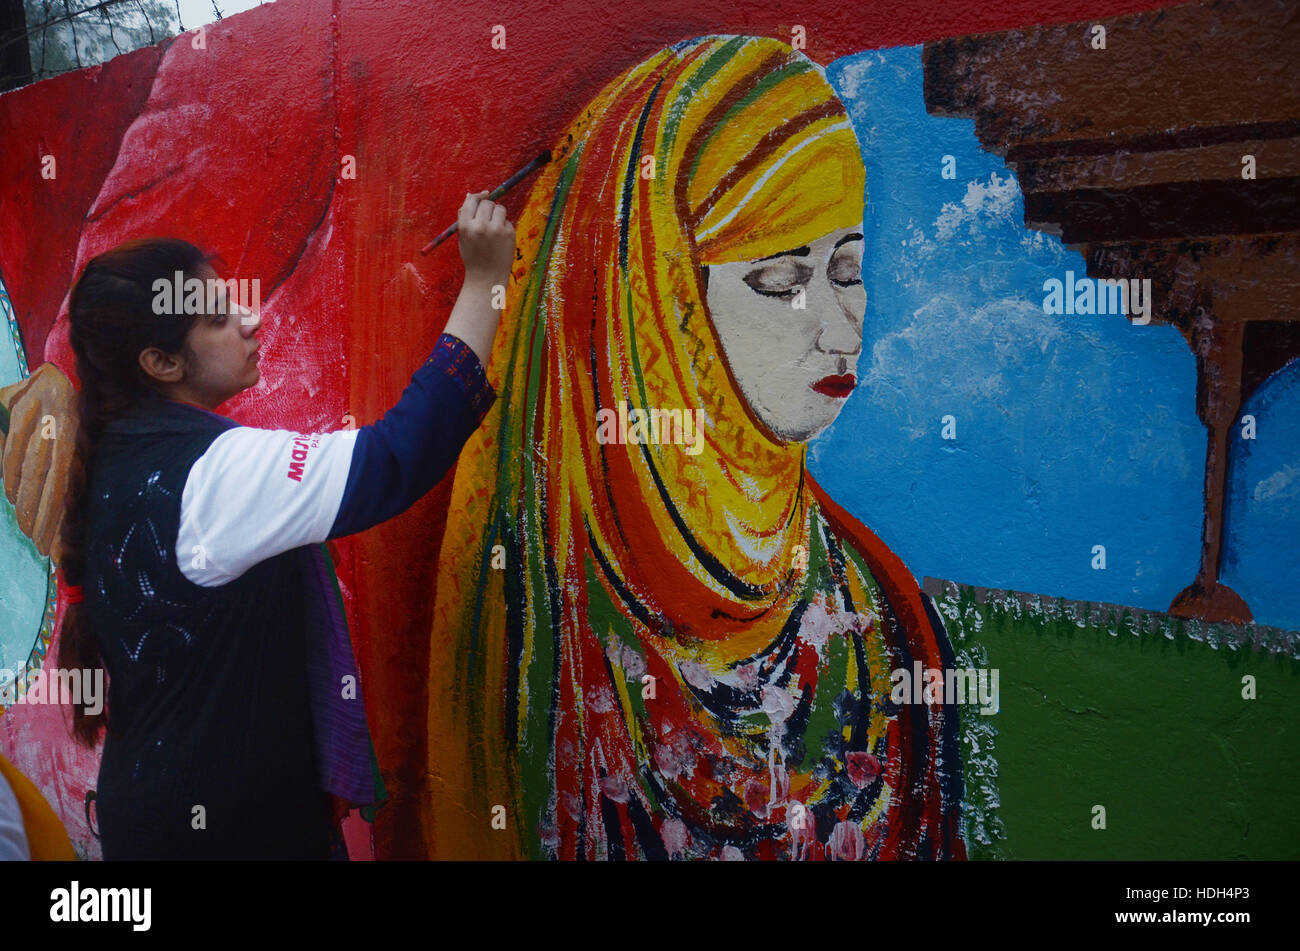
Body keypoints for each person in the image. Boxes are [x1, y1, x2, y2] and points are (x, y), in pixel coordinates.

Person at [424, 35, 966, 860]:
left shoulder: (889, 618)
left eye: (849, 269)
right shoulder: (549, 597)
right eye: (782, 283)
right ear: (666, 300)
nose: (840, 321)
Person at [49, 191, 513, 859]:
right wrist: (486, 281)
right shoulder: (214, 473)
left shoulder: (114, 457)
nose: (249, 320)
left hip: (147, 822)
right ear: (161, 363)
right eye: (217, 319)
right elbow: (394, 458)